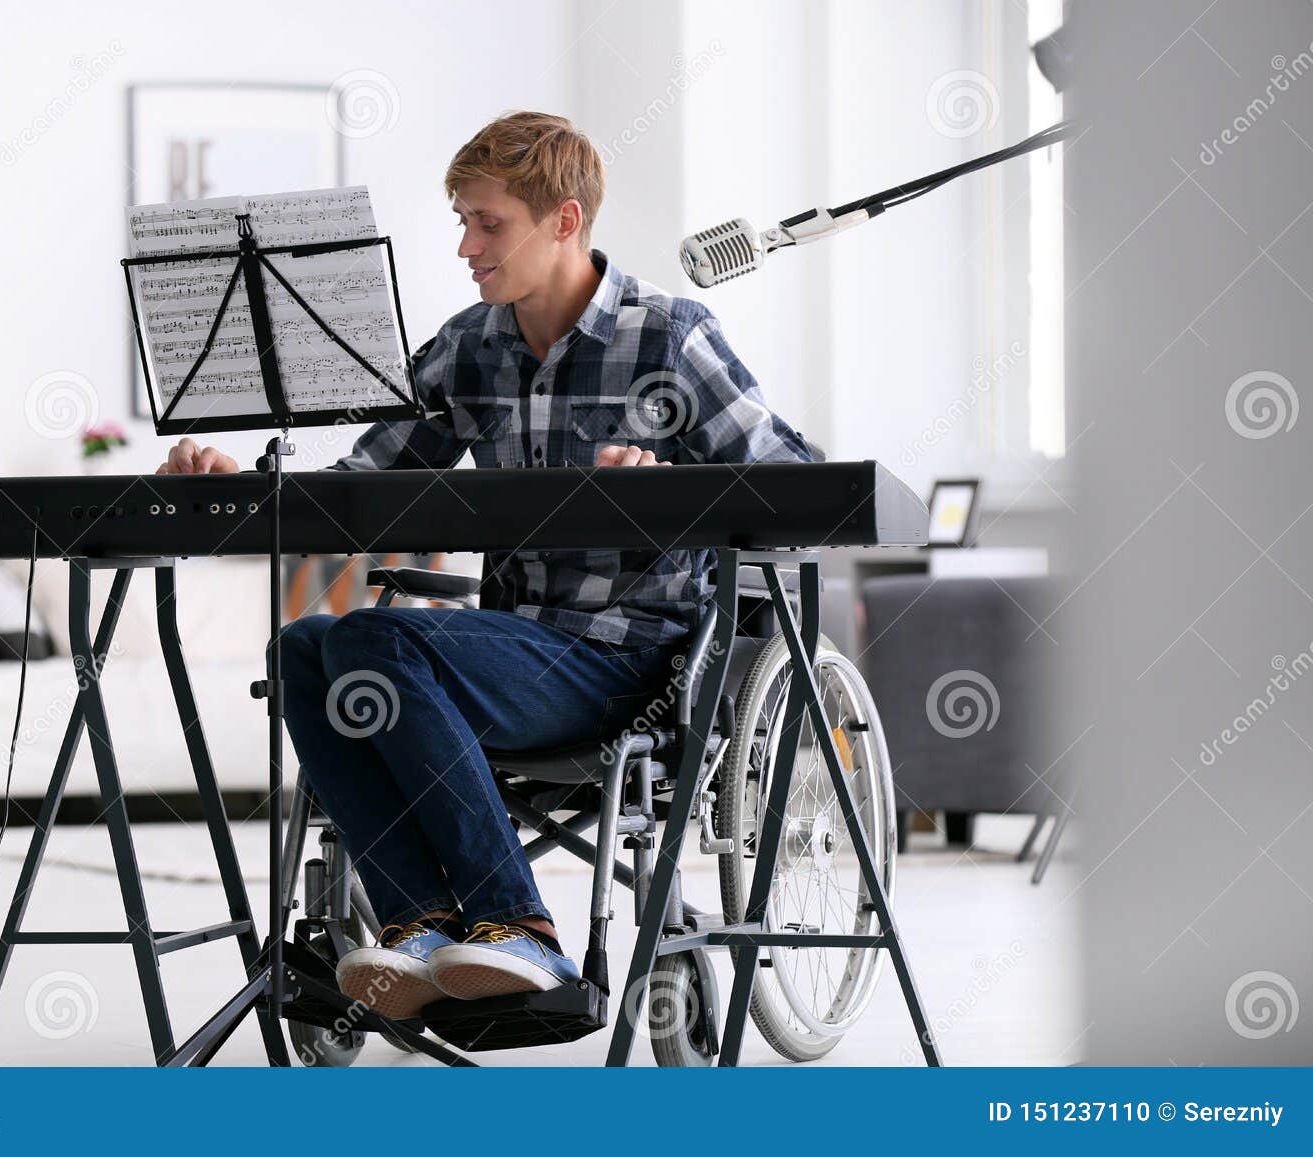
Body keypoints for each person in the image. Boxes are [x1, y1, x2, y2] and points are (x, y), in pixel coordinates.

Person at [156, 111, 819, 1020]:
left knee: (378, 641)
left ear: (564, 219)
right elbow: (362, 487)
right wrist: (236, 488)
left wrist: (674, 485)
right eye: (462, 221)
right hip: (516, 649)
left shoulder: (668, 335)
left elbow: (798, 486)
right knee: (307, 649)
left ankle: (521, 929)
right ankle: (417, 927)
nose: (466, 246)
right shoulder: (472, 346)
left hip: (634, 662)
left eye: (487, 223)